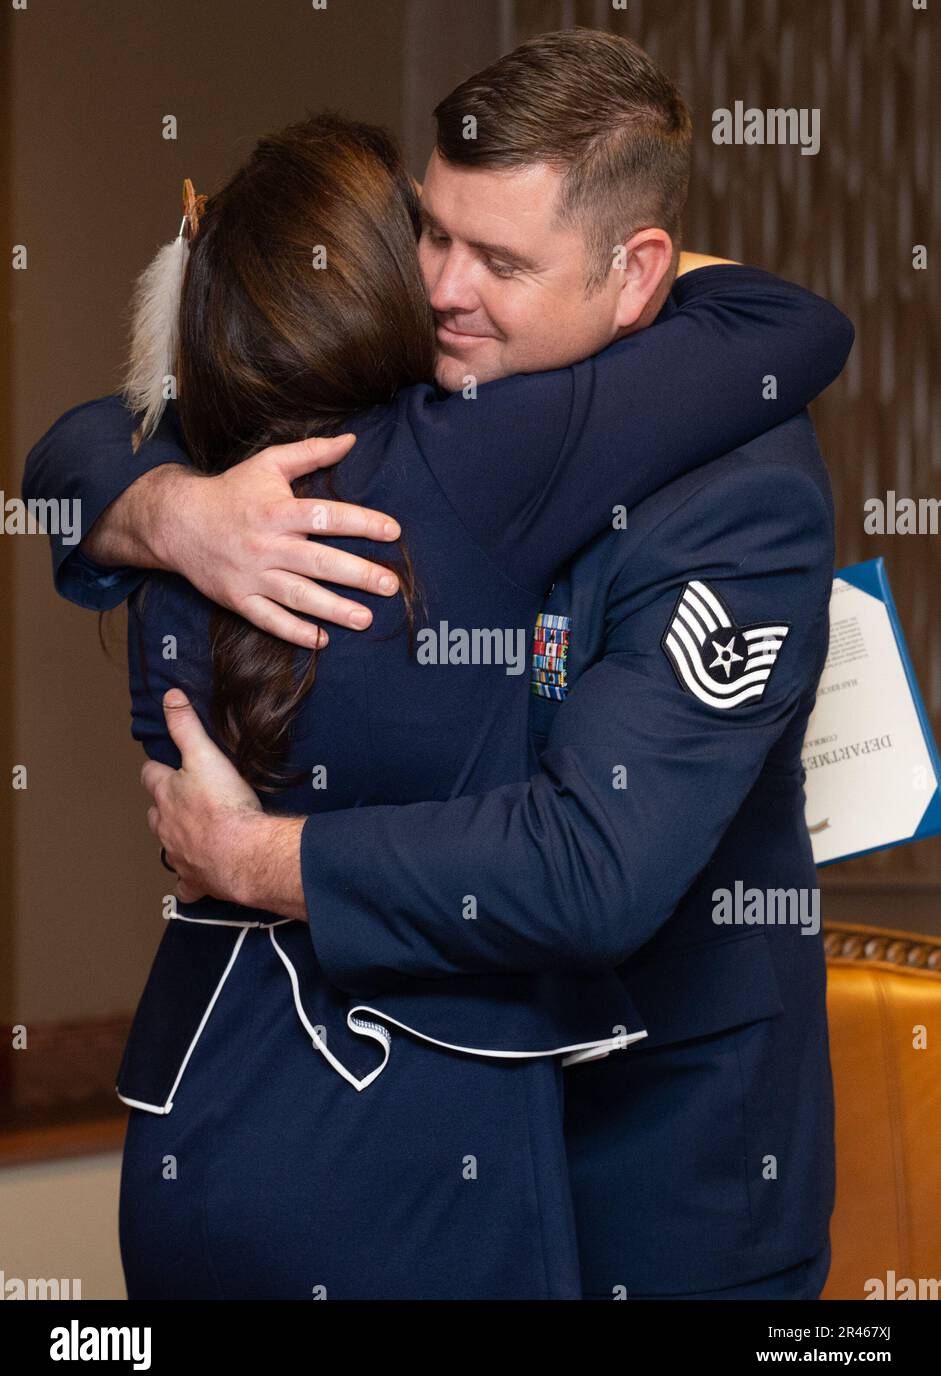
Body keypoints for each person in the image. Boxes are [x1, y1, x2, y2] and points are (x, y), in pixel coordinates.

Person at [23, 31, 854, 1300]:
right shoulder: (417, 377)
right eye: (429, 232)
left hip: (656, 1155)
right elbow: (89, 441)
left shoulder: (737, 485)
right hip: (414, 1129)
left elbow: (593, 861)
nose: (441, 288)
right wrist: (171, 512)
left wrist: (252, 860)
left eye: (501, 260)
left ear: (637, 277)